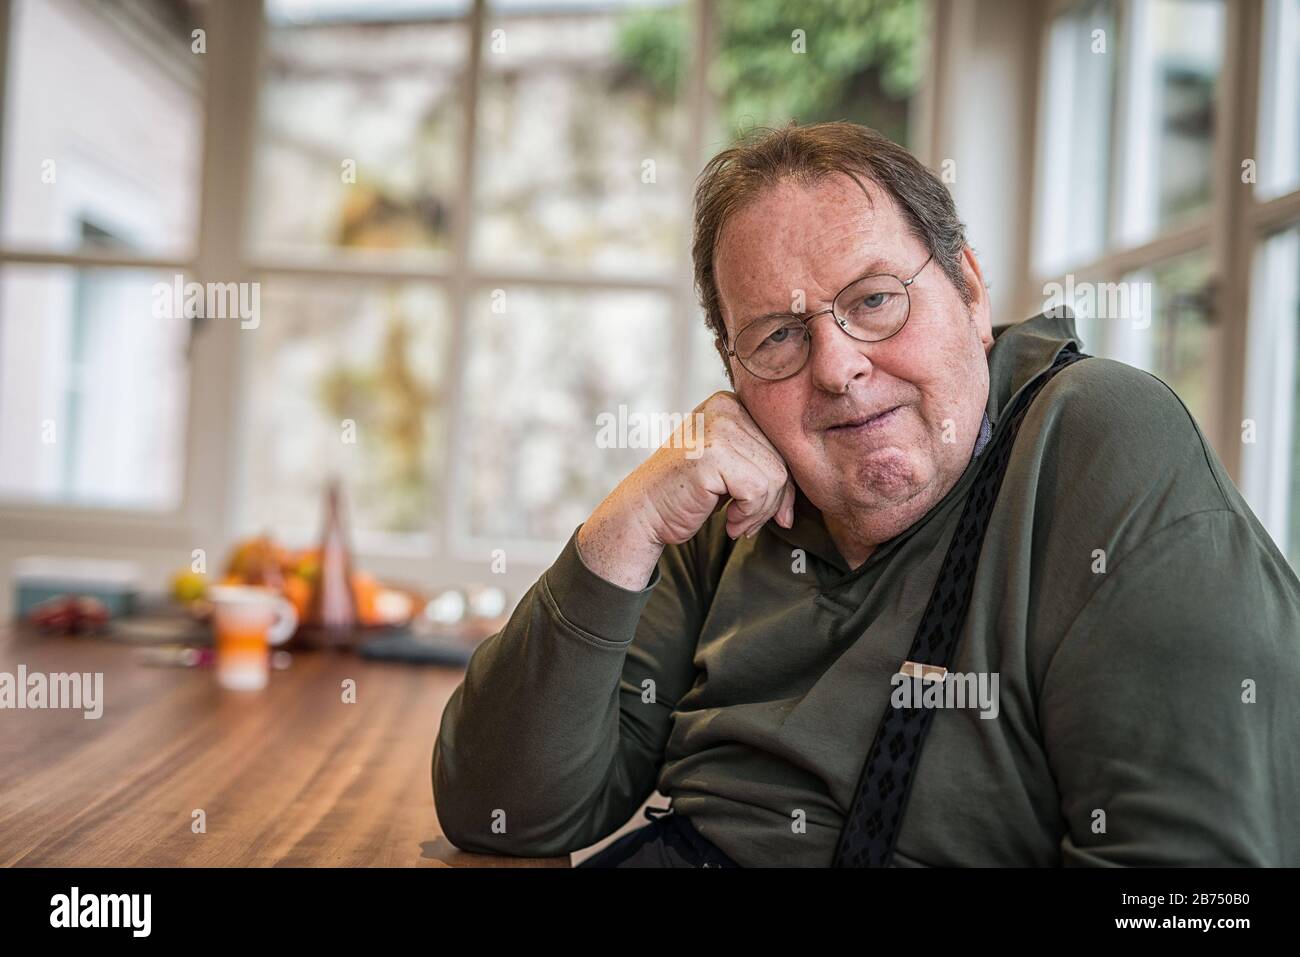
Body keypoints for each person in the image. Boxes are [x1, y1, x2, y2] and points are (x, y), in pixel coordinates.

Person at [432, 121, 1300, 866]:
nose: (839, 368)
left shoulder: (1097, 441)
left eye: (876, 299)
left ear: (967, 287)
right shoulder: (736, 493)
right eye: (777, 336)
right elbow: (502, 811)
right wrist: (622, 529)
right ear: (733, 370)